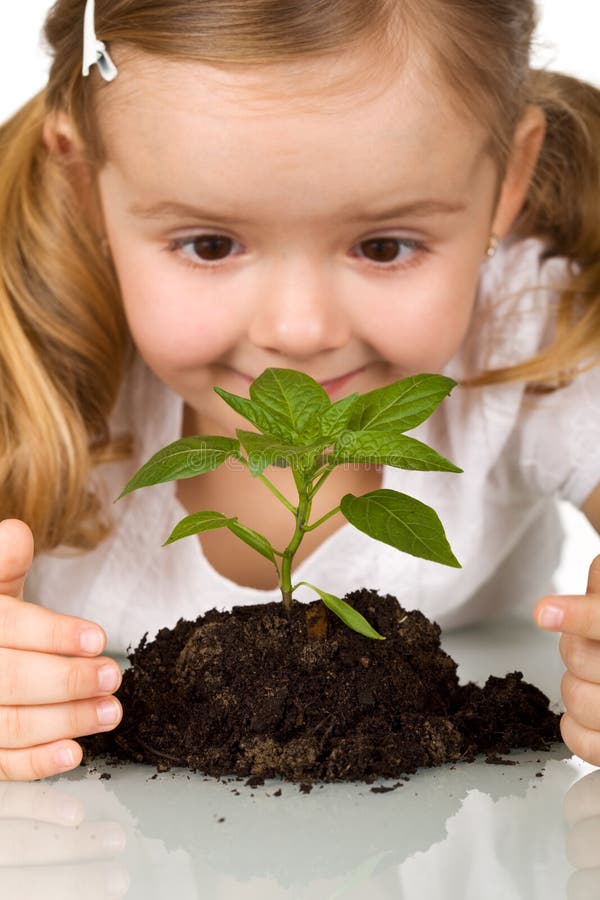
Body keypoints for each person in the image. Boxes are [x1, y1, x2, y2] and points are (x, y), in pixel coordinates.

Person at [0, 0, 598, 782]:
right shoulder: (34, 339)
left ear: (508, 180)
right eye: (209, 245)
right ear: (85, 181)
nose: (299, 330)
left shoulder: (529, 329)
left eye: (384, 246)